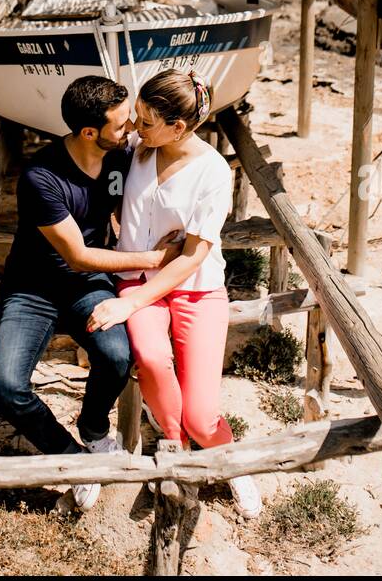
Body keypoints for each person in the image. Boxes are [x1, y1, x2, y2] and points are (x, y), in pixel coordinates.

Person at [0, 75, 182, 512]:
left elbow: (176, 149)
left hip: (89, 289)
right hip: (32, 290)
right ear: (89, 132)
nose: (131, 128)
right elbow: (76, 255)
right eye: (120, 124)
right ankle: (72, 458)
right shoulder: (42, 177)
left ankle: (95, 430)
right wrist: (155, 259)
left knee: (117, 355)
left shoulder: (121, 158)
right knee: (5, 386)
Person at [86, 67, 263, 518]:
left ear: (178, 127)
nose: (135, 128)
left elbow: (191, 257)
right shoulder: (137, 149)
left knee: (202, 415)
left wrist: (130, 302)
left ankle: (231, 461)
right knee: (150, 358)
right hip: (137, 280)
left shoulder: (213, 173)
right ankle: (173, 445)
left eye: (145, 121)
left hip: (197, 290)